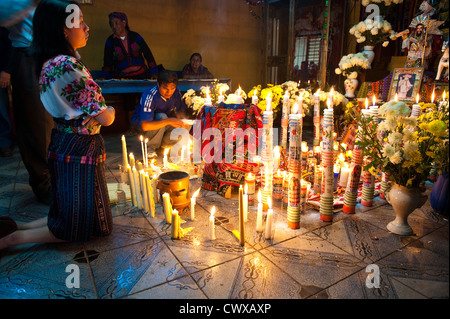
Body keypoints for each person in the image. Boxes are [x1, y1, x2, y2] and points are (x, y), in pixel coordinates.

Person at [0, 0, 115, 250]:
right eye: (80, 21)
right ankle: (11, 239)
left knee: (100, 223)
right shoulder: (68, 65)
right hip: (78, 148)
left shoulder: (51, 62)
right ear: (64, 29)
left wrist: (96, 111)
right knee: (72, 228)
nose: (87, 27)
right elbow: (106, 117)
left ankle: (19, 226)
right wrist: (108, 111)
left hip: (65, 142)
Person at [6, 1, 53, 203]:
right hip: (27, 56)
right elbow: (5, 14)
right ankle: (45, 185)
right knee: (36, 124)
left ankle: (57, 179)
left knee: (52, 121)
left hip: (49, 55)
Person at [131, 70, 188, 154]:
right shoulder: (150, 95)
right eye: (165, 88)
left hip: (164, 123)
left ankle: (165, 146)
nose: (169, 92)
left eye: (172, 88)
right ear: (158, 85)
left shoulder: (176, 92)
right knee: (161, 116)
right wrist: (168, 121)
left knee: (183, 125)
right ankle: (150, 147)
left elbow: (179, 112)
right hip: (145, 124)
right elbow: (145, 126)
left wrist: (182, 120)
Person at [102, 11, 158, 79]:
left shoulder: (135, 36)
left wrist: (154, 72)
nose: (114, 26)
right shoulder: (110, 41)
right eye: (111, 24)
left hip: (141, 75)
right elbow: (107, 61)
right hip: (122, 78)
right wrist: (104, 76)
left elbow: (148, 54)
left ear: (124, 23)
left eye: (116, 23)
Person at [0, 27, 13, 157]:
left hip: (1, 72)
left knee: (2, 110)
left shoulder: (3, 25)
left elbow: (10, 47)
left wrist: (7, 70)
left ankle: (4, 143)